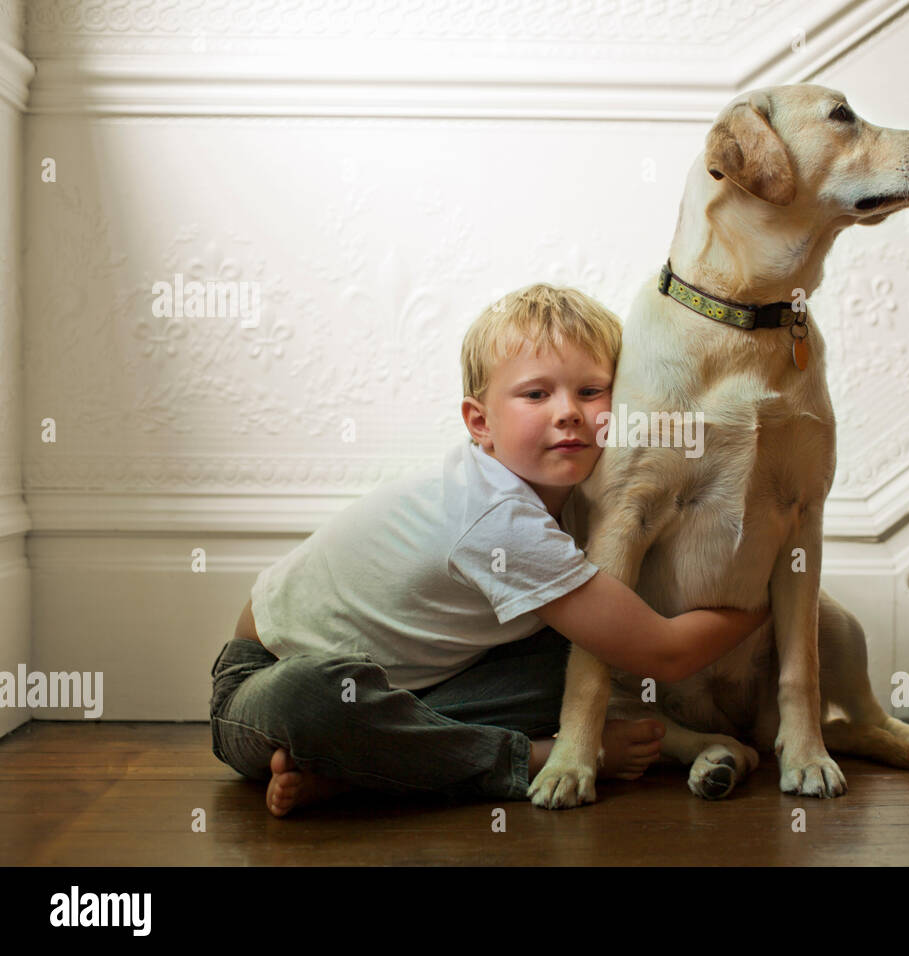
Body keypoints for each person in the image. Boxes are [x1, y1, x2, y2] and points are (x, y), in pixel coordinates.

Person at [208, 283, 768, 816]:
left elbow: (628, 636)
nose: (568, 411)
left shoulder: (583, 492)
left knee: (577, 659)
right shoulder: (496, 515)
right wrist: (764, 600)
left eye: (591, 391)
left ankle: (357, 773)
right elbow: (664, 653)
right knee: (314, 698)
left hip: (426, 691)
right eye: (536, 394)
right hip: (264, 686)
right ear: (480, 422)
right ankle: (532, 758)